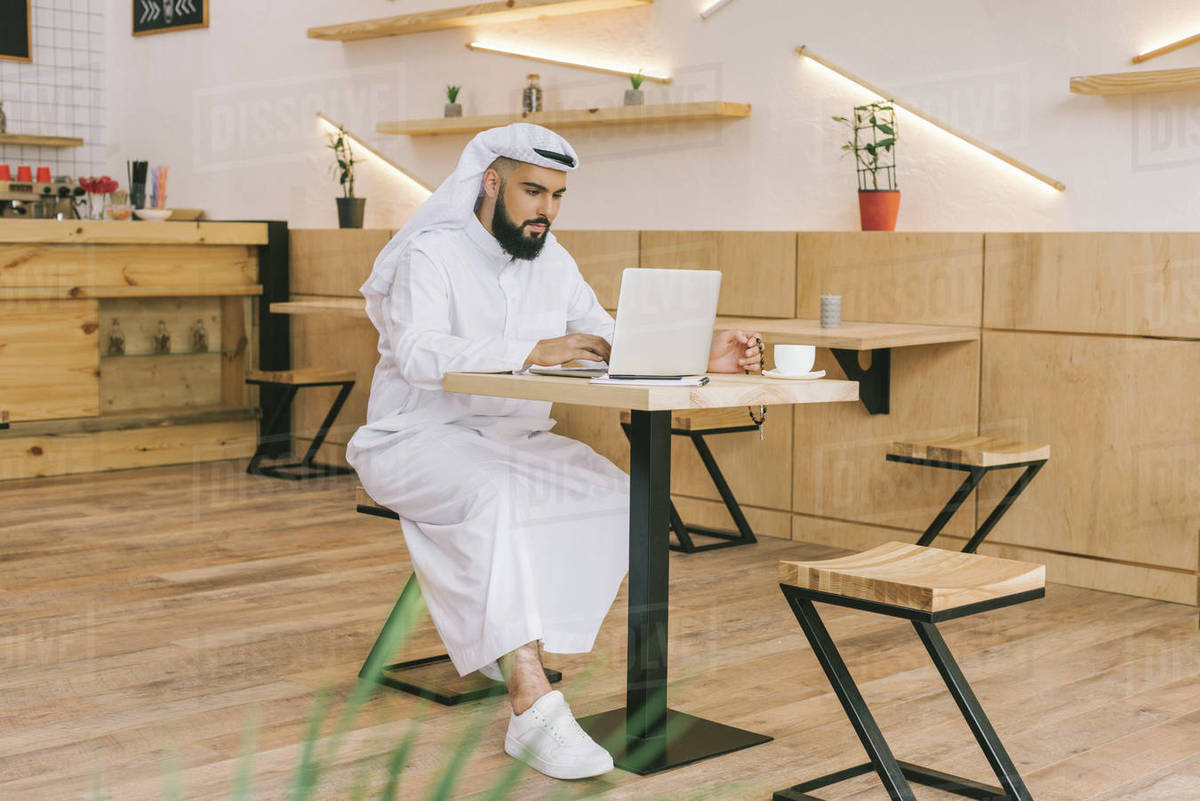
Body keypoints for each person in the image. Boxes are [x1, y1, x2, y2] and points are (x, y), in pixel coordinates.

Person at [346, 123, 763, 780]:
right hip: (414, 437)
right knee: (497, 497)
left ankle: (511, 637)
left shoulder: (555, 262)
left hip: (515, 442)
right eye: (533, 191)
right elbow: (418, 353)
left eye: (558, 195)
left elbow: (606, 339)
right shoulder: (430, 254)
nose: (546, 209)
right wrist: (532, 350)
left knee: (622, 496)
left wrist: (699, 356)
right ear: (491, 183)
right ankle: (530, 703)